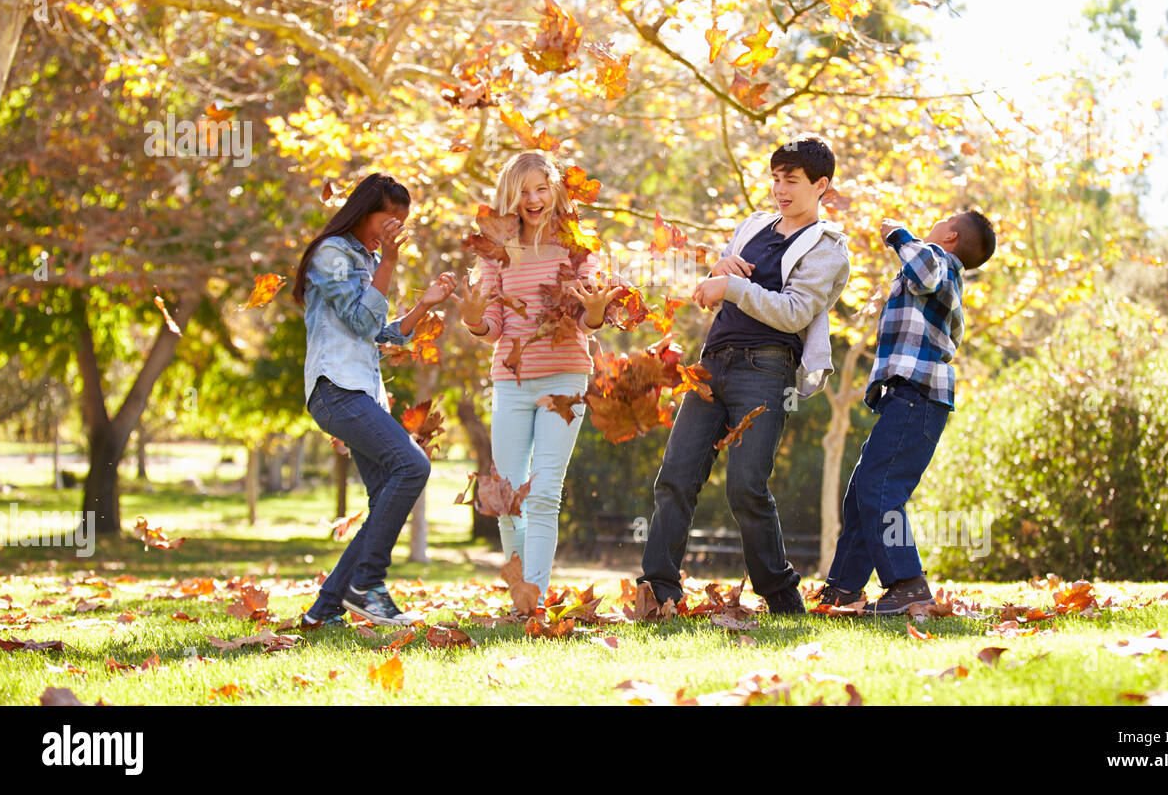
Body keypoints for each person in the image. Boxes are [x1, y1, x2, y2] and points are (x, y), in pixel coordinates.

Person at [638, 135, 852, 614]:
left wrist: (732, 285)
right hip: (713, 364)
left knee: (746, 486)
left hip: (766, 369)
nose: (780, 189)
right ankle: (658, 590)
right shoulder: (753, 226)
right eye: (775, 178)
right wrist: (718, 271)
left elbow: (795, 312)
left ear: (821, 186)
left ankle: (779, 594)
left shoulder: (829, 249)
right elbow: (711, 292)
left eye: (791, 181)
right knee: (674, 477)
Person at [294, 172, 456, 628]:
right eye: (391, 220)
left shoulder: (365, 259)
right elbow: (361, 321)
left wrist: (423, 305)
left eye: (402, 223)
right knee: (413, 466)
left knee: (388, 489)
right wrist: (389, 262)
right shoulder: (333, 255)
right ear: (365, 212)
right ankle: (368, 584)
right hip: (336, 390)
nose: (395, 231)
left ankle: (324, 612)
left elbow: (380, 334)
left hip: (361, 392)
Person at [458, 152, 623, 598]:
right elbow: (492, 328)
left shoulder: (578, 247)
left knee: (545, 491)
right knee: (509, 497)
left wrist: (593, 313)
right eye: (523, 191)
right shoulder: (496, 252)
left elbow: (588, 319)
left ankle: (533, 598)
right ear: (510, 197)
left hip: (564, 380)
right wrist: (474, 319)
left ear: (554, 191)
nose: (533, 199)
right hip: (510, 385)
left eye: (540, 188)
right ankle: (520, 597)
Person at [816, 210, 996, 615]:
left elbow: (924, 270)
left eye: (943, 220)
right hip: (908, 398)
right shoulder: (934, 271)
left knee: (881, 488)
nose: (933, 223)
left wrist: (898, 234)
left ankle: (907, 583)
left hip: (918, 397)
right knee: (864, 489)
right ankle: (843, 588)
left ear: (950, 236)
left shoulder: (940, 264)